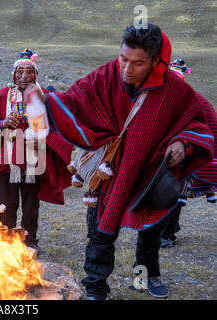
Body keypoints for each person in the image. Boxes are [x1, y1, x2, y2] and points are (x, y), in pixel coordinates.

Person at [38, 24, 213, 299]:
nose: (127, 69)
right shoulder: (106, 75)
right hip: (108, 169)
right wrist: (46, 102)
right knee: (100, 230)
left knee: (151, 230)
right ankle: (96, 287)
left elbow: (198, 119)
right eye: (123, 59)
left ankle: (147, 277)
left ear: (156, 61)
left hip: (150, 173)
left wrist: (183, 142)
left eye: (138, 63)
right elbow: (74, 99)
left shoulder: (174, 89)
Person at [0, 49, 73, 255]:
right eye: (20, 72)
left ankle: (30, 240)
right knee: (6, 203)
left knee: (31, 203)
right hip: (6, 161)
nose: (24, 77)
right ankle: (5, 240)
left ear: (36, 75)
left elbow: (61, 120)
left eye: (29, 72)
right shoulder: (2, 96)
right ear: (13, 75)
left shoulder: (45, 97)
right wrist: (1, 123)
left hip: (33, 160)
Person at [160, 59, 217, 248]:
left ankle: (166, 233)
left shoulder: (188, 100)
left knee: (173, 188)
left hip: (192, 151)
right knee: (173, 187)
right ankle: (168, 230)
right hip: (185, 150)